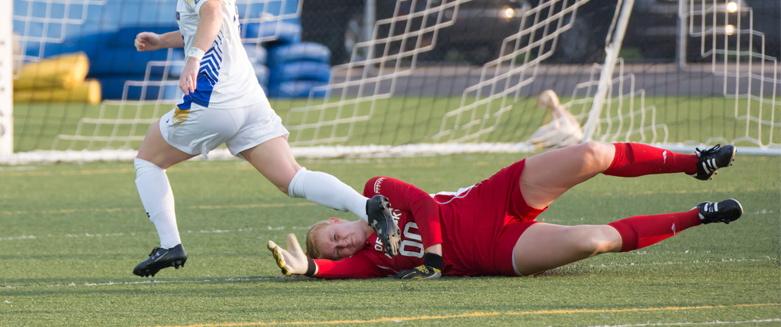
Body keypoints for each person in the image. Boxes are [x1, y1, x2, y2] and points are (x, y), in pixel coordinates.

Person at [130, 0, 399, 277]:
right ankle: (367, 206)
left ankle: (170, 244)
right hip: (249, 99)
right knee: (293, 178)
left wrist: (192, 60)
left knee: (147, 160)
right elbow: (210, 25)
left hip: (214, 100)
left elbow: (209, 14)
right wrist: (163, 40)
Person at [266, 142, 740, 280]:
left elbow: (424, 202)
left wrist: (431, 254)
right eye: (335, 248)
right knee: (594, 241)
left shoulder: (374, 191)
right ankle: (700, 215)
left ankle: (693, 163)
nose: (343, 244)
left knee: (592, 154)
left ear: (334, 221)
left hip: (493, 197)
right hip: (495, 252)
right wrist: (309, 265)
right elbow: (336, 269)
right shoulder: (375, 258)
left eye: (333, 238)